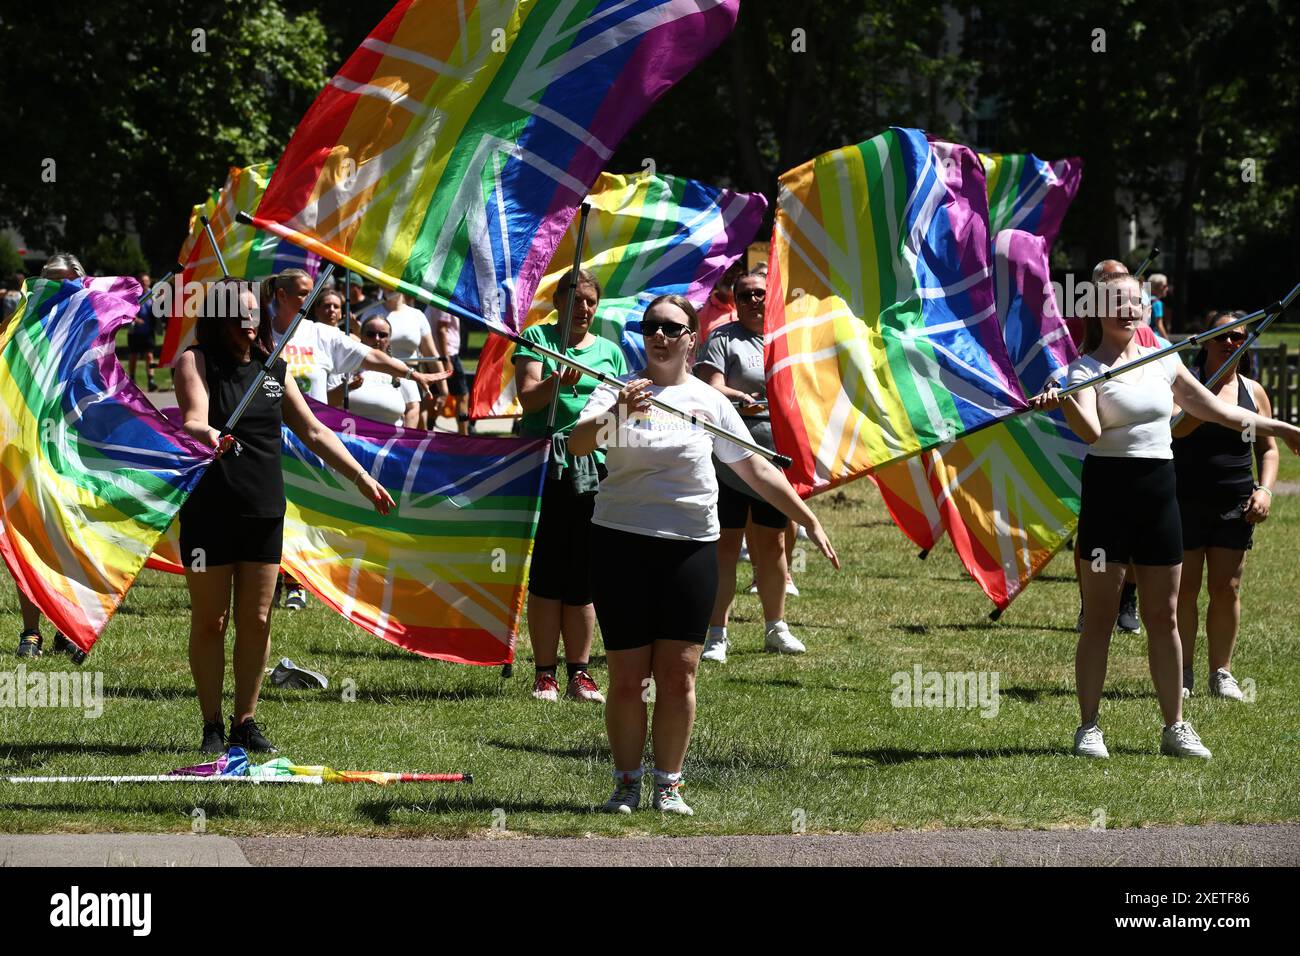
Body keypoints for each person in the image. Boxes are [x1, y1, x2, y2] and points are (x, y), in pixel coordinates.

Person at [569, 294, 839, 815]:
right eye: (652, 327)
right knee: (628, 679)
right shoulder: (616, 390)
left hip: (690, 548)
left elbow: (755, 468)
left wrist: (806, 515)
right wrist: (619, 414)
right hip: (620, 543)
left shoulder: (709, 402)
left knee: (678, 675)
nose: (661, 336)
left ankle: (668, 784)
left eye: (673, 328)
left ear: (693, 337)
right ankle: (625, 784)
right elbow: (579, 444)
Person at [1031, 273, 1300, 760]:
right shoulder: (1083, 370)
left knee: (1164, 616)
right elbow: (1091, 432)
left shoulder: (1164, 361)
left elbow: (1220, 412)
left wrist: (1279, 426)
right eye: (1118, 303)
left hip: (1159, 496)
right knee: (1100, 617)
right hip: (1108, 499)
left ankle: (1175, 725)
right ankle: (1088, 727)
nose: (1129, 310)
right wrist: (1067, 398)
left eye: (1136, 303)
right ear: (1097, 312)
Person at [175, 279, 396, 753]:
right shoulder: (196, 361)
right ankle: (211, 724)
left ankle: (244, 722)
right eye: (241, 312)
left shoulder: (272, 369)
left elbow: (315, 431)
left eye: (256, 312)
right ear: (219, 317)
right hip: (208, 512)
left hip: (263, 510)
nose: (252, 321)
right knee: (210, 621)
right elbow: (192, 418)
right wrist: (210, 435)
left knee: (256, 621)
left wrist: (360, 476)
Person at [266, 270, 446, 610]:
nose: (310, 300)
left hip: (309, 439)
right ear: (280, 295)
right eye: (302, 293)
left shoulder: (320, 335)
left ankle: (296, 584)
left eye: (311, 294)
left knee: (303, 515)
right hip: (267, 438)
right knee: (274, 513)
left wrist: (412, 373)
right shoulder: (261, 333)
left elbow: (372, 355)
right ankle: (269, 578)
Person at [512, 268, 627, 703]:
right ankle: (545, 674)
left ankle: (580, 673)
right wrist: (554, 381)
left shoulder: (610, 353)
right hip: (544, 466)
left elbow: (619, 414)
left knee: (583, 573)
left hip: (595, 470)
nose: (583, 309)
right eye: (576, 300)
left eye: (591, 302)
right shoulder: (536, 340)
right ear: (558, 301)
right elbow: (527, 397)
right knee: (546, 571)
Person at [695, 271, 803, 662]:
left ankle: (776, 628)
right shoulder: (723, 338)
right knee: (724, 548)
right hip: (728, 462)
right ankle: (716, 635)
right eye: (745, 296)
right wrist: (740, 398)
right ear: (735, 301)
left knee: (773, 546)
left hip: (774, 459)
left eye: (760, 294)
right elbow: (710, 387)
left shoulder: (787, 338)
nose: (754, 301)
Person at [1172, 311, 1278, 701]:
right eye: (1222, 336)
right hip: (1183, 498)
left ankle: (1222, 671)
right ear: (1204, 340)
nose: (1231, 343)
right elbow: (1176, 429)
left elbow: (1268, 448)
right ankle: (1182, 671)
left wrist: (1264, 490)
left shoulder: (1254, 392)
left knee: (1227, 588)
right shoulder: (1184, 385)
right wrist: (1209, 395)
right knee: (1184, 590)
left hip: (1235, 502)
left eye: (1238, 337)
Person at [13, 255, 87, 661]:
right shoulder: (23, 328)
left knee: (70, 539)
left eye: (66, 280)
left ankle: (69, 626)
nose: (58, 288)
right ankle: (31, 632)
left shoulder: (91, 325)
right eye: (50, 280)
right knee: (30, 538)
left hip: (74, 449)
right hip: (27, 449)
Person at [328, 315, 422, 427]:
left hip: (390, 440)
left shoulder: (400, 367)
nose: (377, 339)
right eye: (371, 334)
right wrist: (346, 388)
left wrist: (405, 442)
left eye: (382, 335)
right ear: (361, 336)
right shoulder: (343, 365)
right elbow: (328, 402)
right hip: (350, 437)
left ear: (389, 338)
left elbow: (413, 409)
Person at [426, 304, 469, 434]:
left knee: (434, 396)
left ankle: (428, 431)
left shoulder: (433, 302)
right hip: (448, 355)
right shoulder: (444, 302)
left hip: (436, 356)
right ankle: (464, 436)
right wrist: (447, 360)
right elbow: (442, 329)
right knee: (462, 396)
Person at [696, 260, 744, 344]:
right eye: (726, 270)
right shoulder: (701, 310)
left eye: (736, 271)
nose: (731, 276)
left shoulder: (749, 305)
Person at [127, 271, 159, 391]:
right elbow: (127, 310)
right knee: (133, 356)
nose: (144, 284)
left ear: (149, 282)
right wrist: (135, 318)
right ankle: (132, 379)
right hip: (134, 331)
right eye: (142, 282)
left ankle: (151, 380)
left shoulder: (153, 295)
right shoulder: (133, 295)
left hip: (148, 331)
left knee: (149, 355)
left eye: (146, 282)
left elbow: (158, 310)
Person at [1148, 273, 1171, 338]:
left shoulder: (1145, 300)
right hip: (1155, 337)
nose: (1167, 288)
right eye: (1165, 286)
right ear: (1156, 287)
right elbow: (1159, 325)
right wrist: (1167, 342)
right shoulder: (1157, 303)